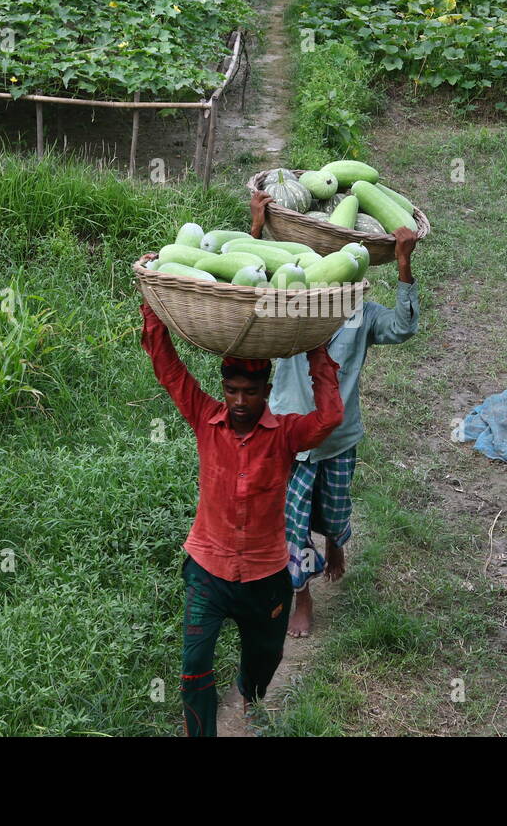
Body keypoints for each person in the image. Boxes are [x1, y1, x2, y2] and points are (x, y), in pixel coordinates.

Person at [138, 293, 343, 736]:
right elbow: (170, 371)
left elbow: (330, 417)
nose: (240, 401)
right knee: (193, 668)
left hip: (266, 576)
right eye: (232, 391)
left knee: (264, 661)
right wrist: (152, 309)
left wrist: (317, 352)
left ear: (267, 393)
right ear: (223, 389)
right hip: (207, 572)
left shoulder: (285, 434)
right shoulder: (204, 417)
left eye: (250, 392)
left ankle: (250, 694)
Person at [249, 190, 420, 638]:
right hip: (292, 438)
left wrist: (403, 265)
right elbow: (244, 290)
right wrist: (257, 227)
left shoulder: (358, 312)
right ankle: (301, 595)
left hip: (340, 435)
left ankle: (336, 543)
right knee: (292, 525)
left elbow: (403, 327)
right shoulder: (287, 302)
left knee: (335, 507)